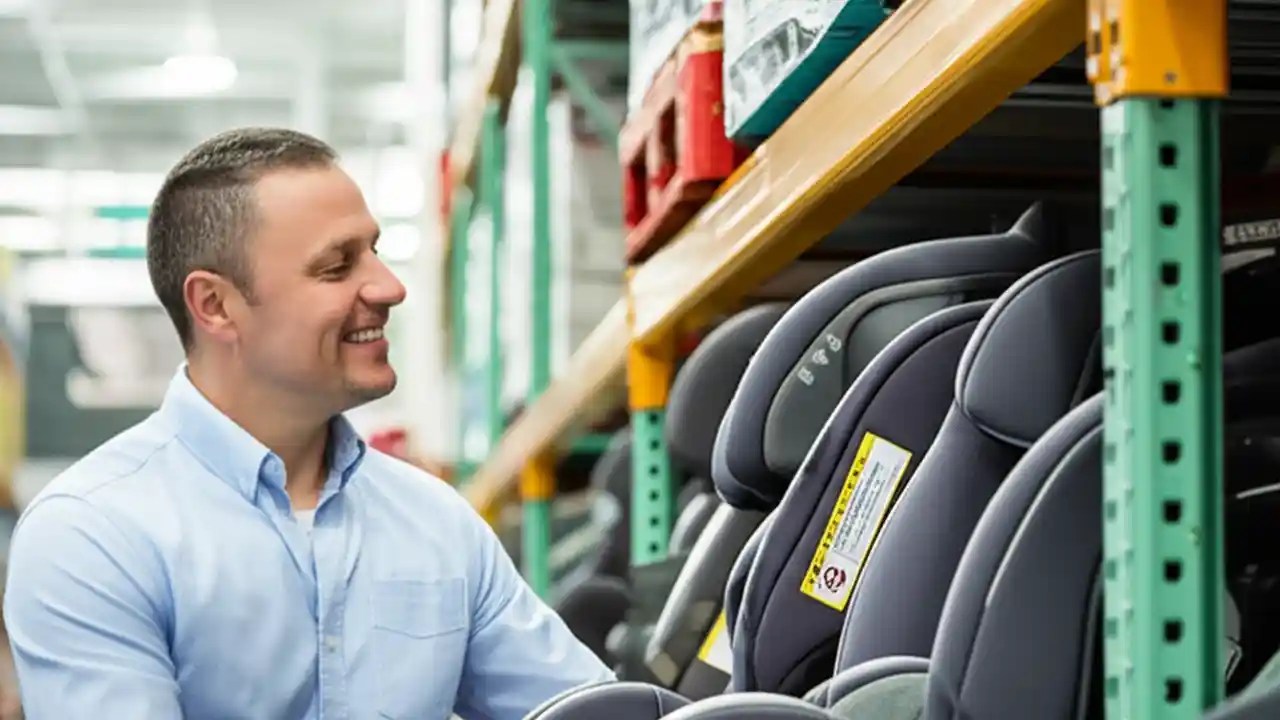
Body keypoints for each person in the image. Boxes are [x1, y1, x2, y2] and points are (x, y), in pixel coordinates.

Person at [2, 128, 614, 719]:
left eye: (375, 251)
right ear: (215, 305)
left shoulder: (435, 522)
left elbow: (584, 710)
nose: (389, 286)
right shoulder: (94, 535)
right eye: (336, 266)